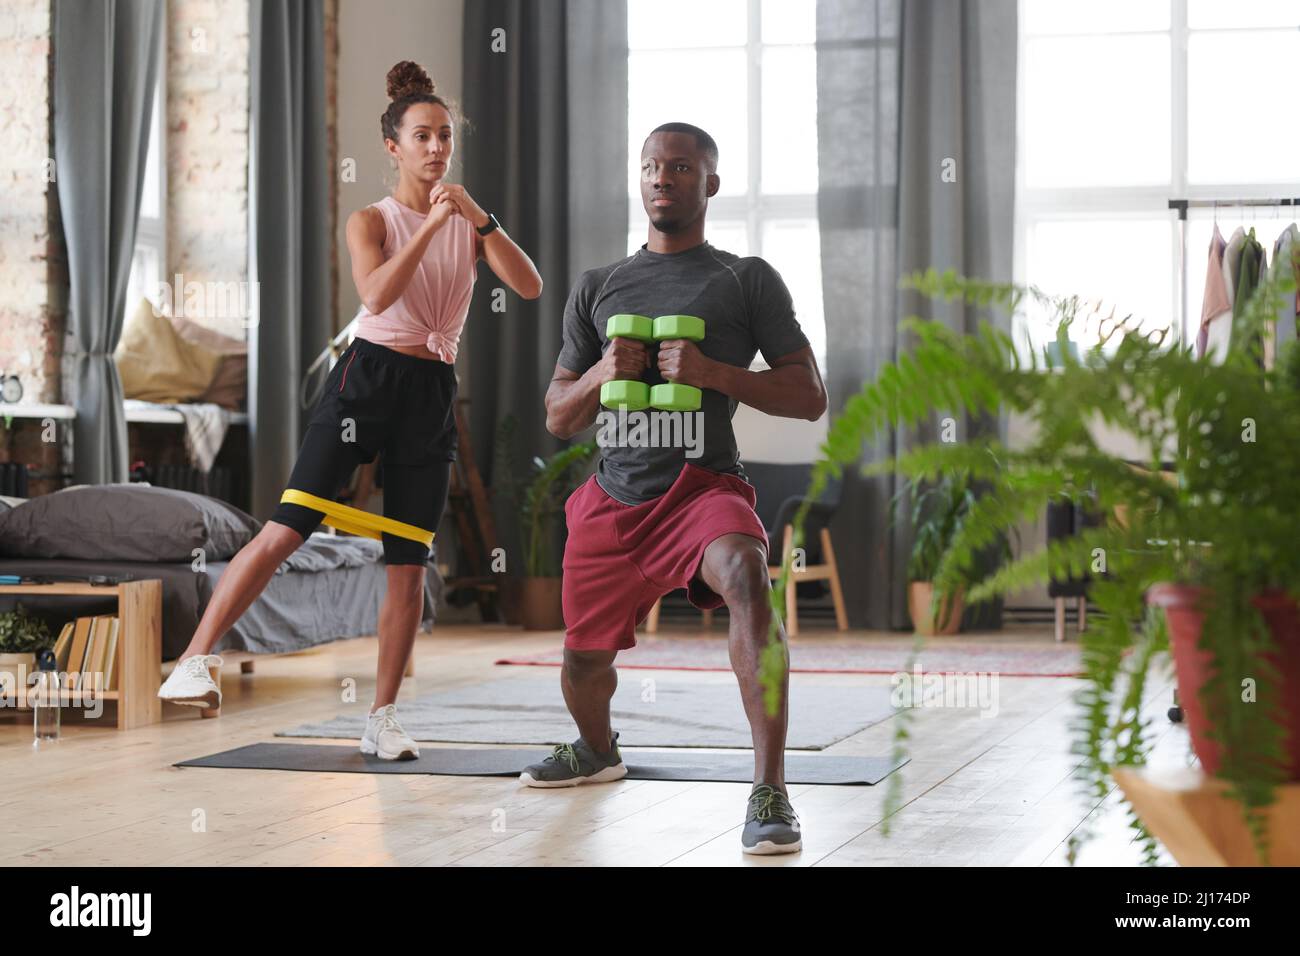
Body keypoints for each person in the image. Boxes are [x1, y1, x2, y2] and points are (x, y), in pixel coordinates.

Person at [157, 61, 542, 761]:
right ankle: (194, 658)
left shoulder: (469, 221)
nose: (436, 149)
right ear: (393, 147)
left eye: (445, 137)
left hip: (430, 392)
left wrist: (480, 220)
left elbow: (531, 285)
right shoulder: (372, 219)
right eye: (422, 136)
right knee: (288, 526)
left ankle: (382, 718)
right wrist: (431, 226)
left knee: (407, 561)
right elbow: (375, 298)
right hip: (366, 381)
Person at [525, 122, 827, 855]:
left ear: (709, 183)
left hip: (702, 489)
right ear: (641, 180)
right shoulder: (599, 286)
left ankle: (770, 793)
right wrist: (600, 373)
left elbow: (809, 395)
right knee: (583, 662)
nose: (664, 178)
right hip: (613, 496)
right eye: (652, 167)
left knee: (747, 574)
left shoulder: (744, 279)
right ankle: (597, 749)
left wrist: (715, 373)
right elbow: (560, 416)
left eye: (682, 167)